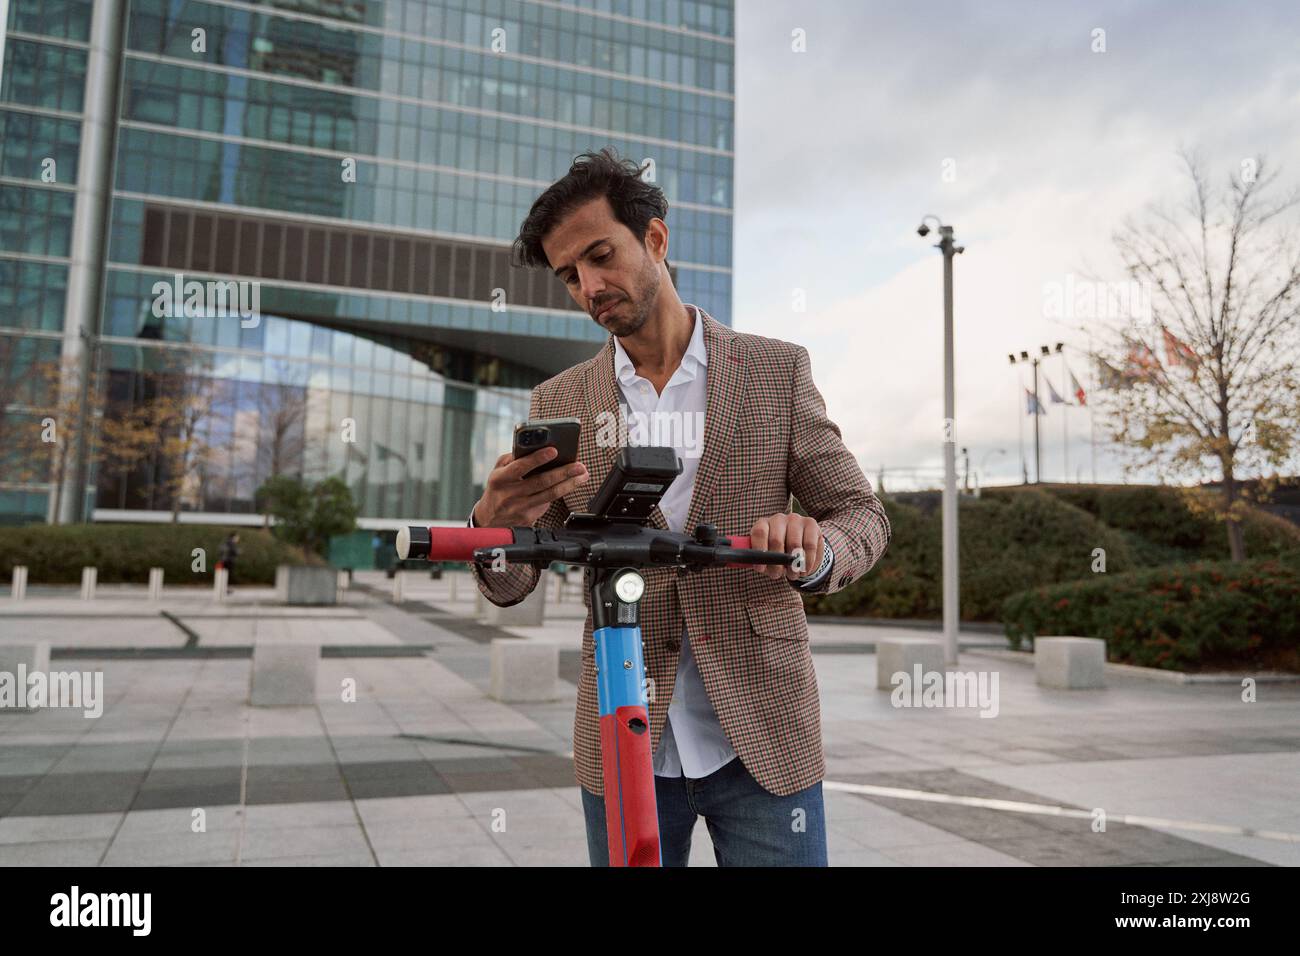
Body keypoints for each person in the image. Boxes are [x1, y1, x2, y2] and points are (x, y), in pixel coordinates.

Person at [468, 148, 891, 867]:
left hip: (763, 736)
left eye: (601, 256)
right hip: (625, 737)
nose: (590, 286)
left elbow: (861, 515)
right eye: (571, 275)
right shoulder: (561, 403)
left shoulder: (775, 371)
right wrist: (490, 522)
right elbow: (510, 583)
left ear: (656, 240)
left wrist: (816, 545)